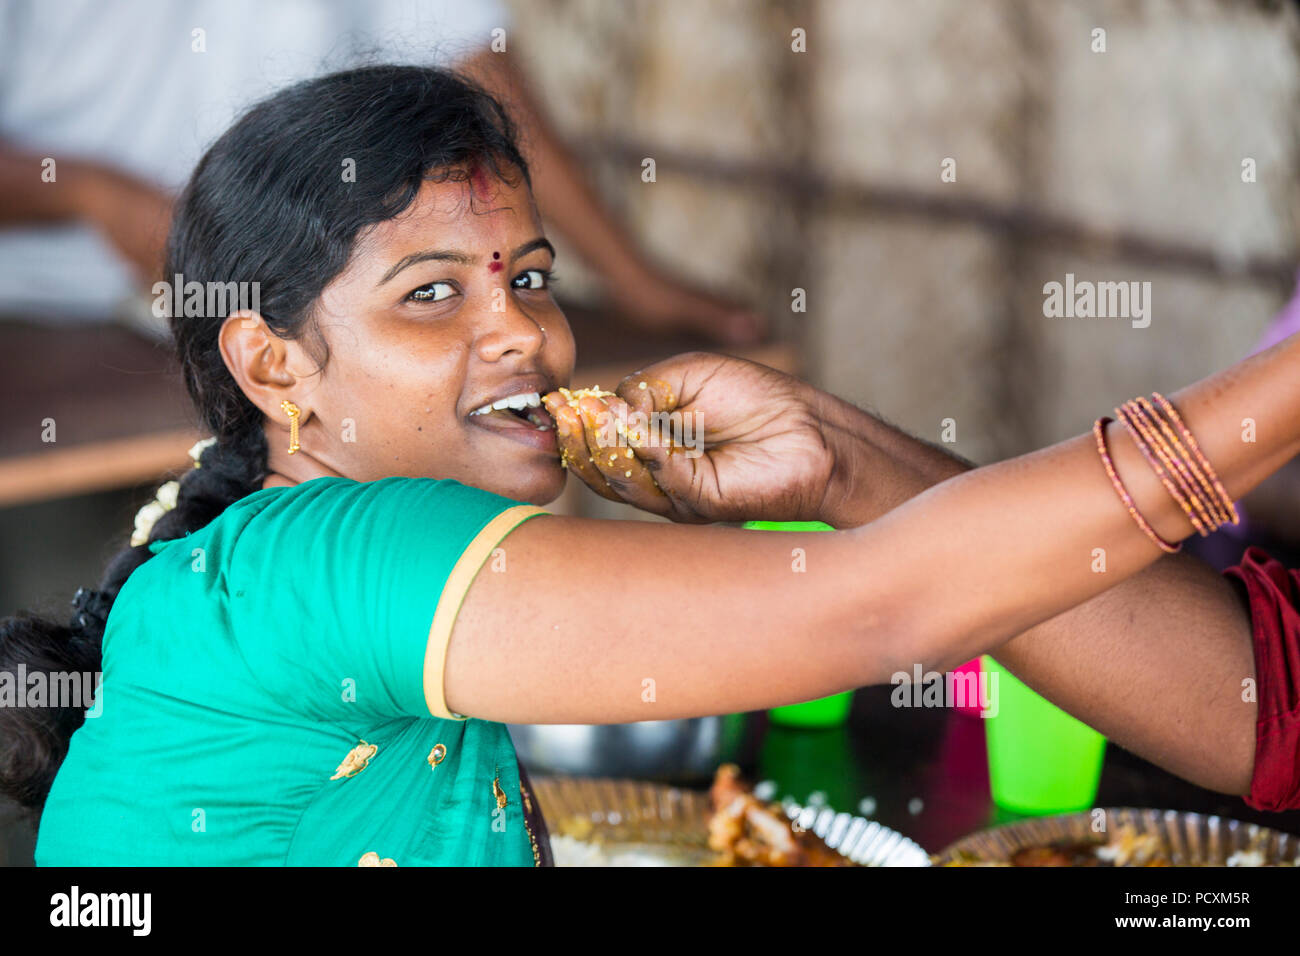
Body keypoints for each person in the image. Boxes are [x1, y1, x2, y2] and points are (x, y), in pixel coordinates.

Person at [5, 65, 1300, 867]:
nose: (521, 328)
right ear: (274, 366)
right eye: (431, 295)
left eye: (525, 277)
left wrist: (830, 453)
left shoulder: (273, 557)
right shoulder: (347, 559)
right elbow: (881, 606)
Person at [0, 0, 763, 344]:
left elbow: (466, 61)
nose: (517, 342)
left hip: (304, 301)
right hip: (55, 315)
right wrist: (93, 196)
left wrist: (630, 277)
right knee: (103, 620)